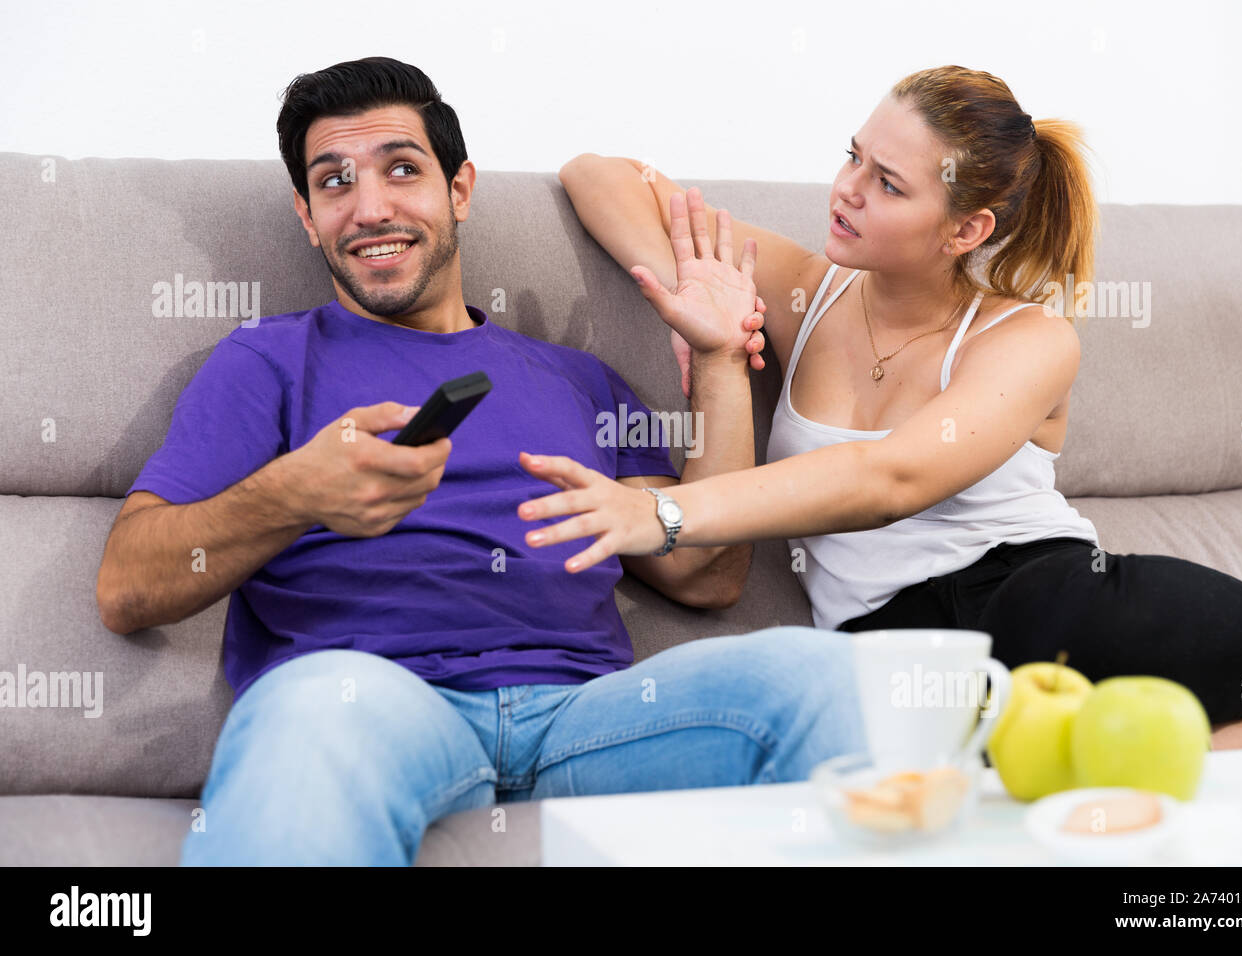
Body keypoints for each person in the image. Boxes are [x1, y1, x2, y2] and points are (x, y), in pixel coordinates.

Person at [94, 56, 866, 866]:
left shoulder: (577, 378)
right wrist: (292, 493)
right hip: (374, 703)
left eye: (401, 170)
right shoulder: (267, 362)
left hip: (585, 716)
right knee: (311, 713)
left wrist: (716, 361)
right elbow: (126, 589)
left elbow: (708, 579)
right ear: (305, 213)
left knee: (819, 679)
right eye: (334, 182)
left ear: (459, 189)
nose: (370, 208)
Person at [542, 65, 1242, 750]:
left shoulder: (1027, 337)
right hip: (891, 647)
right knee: (1030, 774)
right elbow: (596, 174)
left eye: (889, 184)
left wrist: (670, 516)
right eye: (853, 156)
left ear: (966, 231)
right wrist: (696, 286)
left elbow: (890, 481)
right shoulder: (803, 291)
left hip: (1047, 599)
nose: (847, 189)